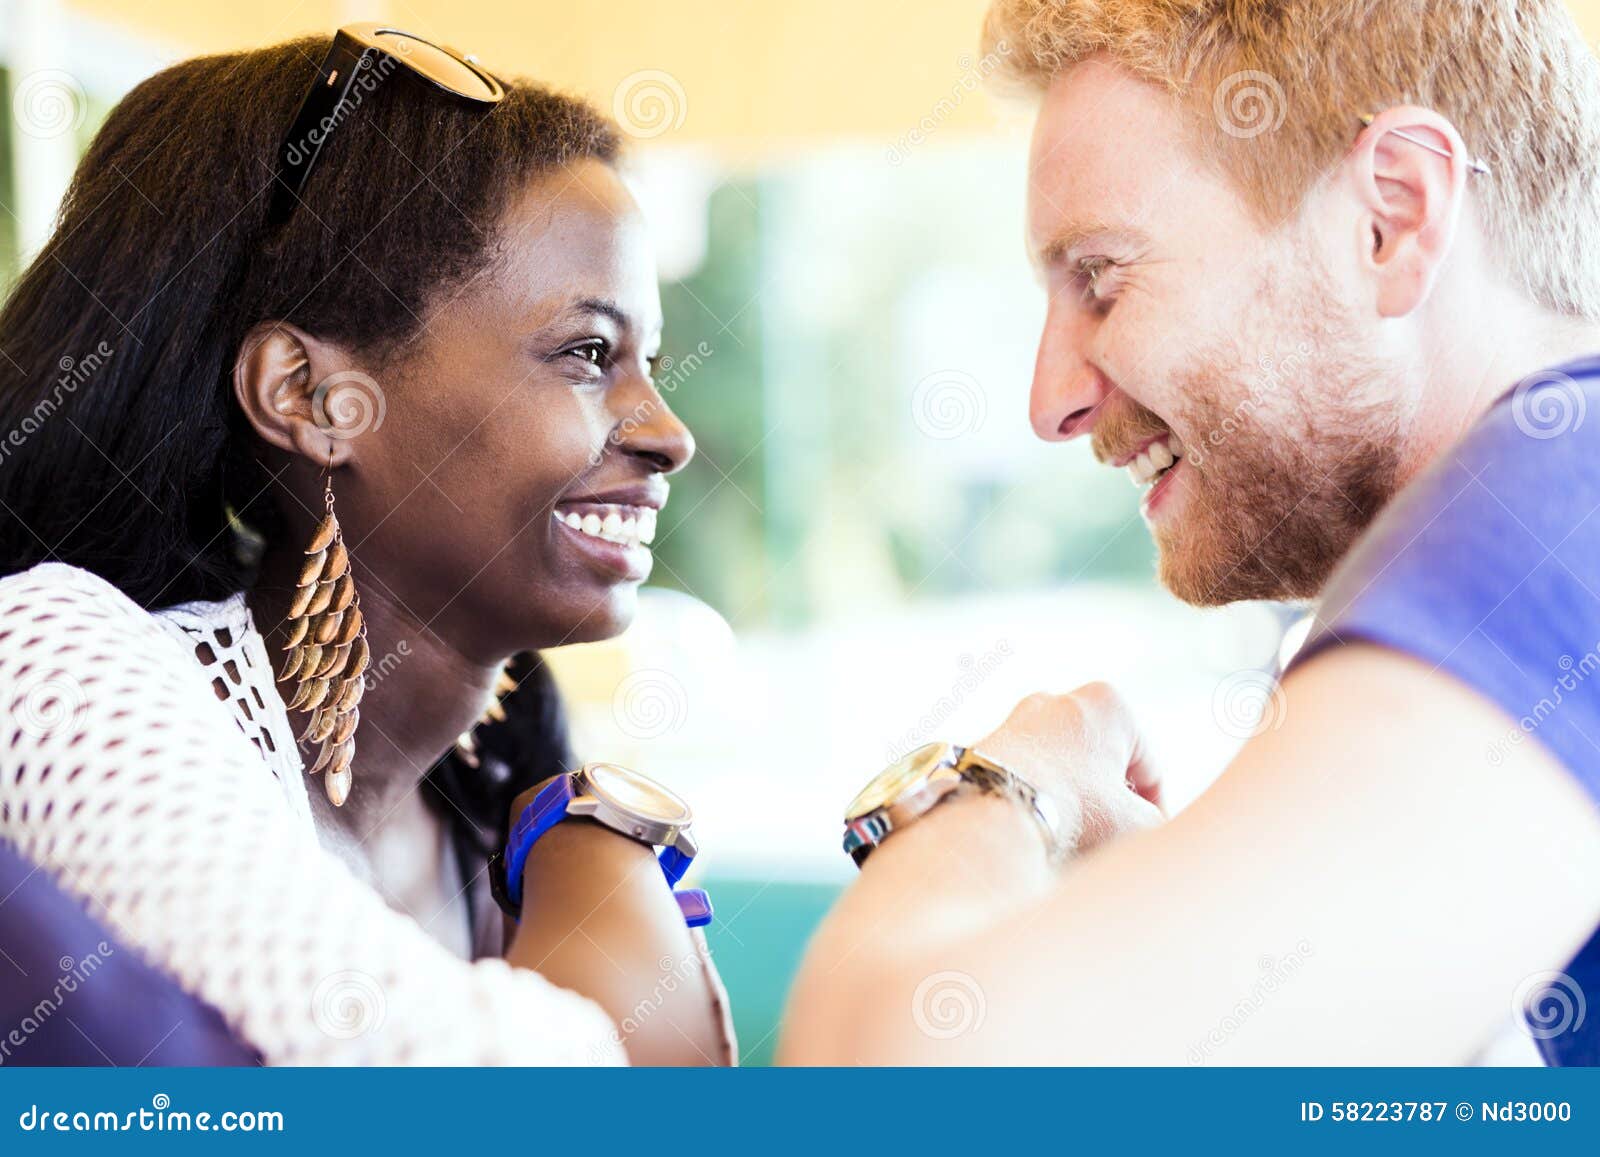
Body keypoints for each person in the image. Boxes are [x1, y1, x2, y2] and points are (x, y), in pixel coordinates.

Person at [781, 0, 1600, 1065]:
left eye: (1103, 280)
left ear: (1389, 219)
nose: (1048, 401)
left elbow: (900, 1087)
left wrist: (993, 794)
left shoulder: (1554, 512)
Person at [0, 26, 732, 1065]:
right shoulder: (47, 658)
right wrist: (602, 834)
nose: (667, 431)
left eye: (648, 360)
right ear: (309, 396)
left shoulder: (484, 829)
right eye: (585, 353)